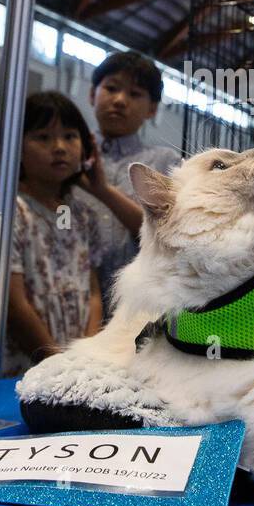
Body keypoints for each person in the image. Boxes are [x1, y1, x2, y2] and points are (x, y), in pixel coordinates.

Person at [2, 91, 143, 376]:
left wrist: (86, 355)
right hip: (27, 364)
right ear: (18, 146)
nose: (59, 147)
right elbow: (14, 306)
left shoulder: (82, 215)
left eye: (69, 136)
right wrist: (58, 364)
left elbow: (92, 291)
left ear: (86, 148)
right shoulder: (12, 211)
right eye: (42, 137)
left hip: (77, 365)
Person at [80, 51, 181, 311]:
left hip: (137, 310)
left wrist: (103, 191)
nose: (120, 100)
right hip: (71, 302)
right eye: (111, 88)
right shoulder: (69, 155)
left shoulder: (165, 164)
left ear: (152, 109)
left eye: (135, 94)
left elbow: (167, 233)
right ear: (93, 94)